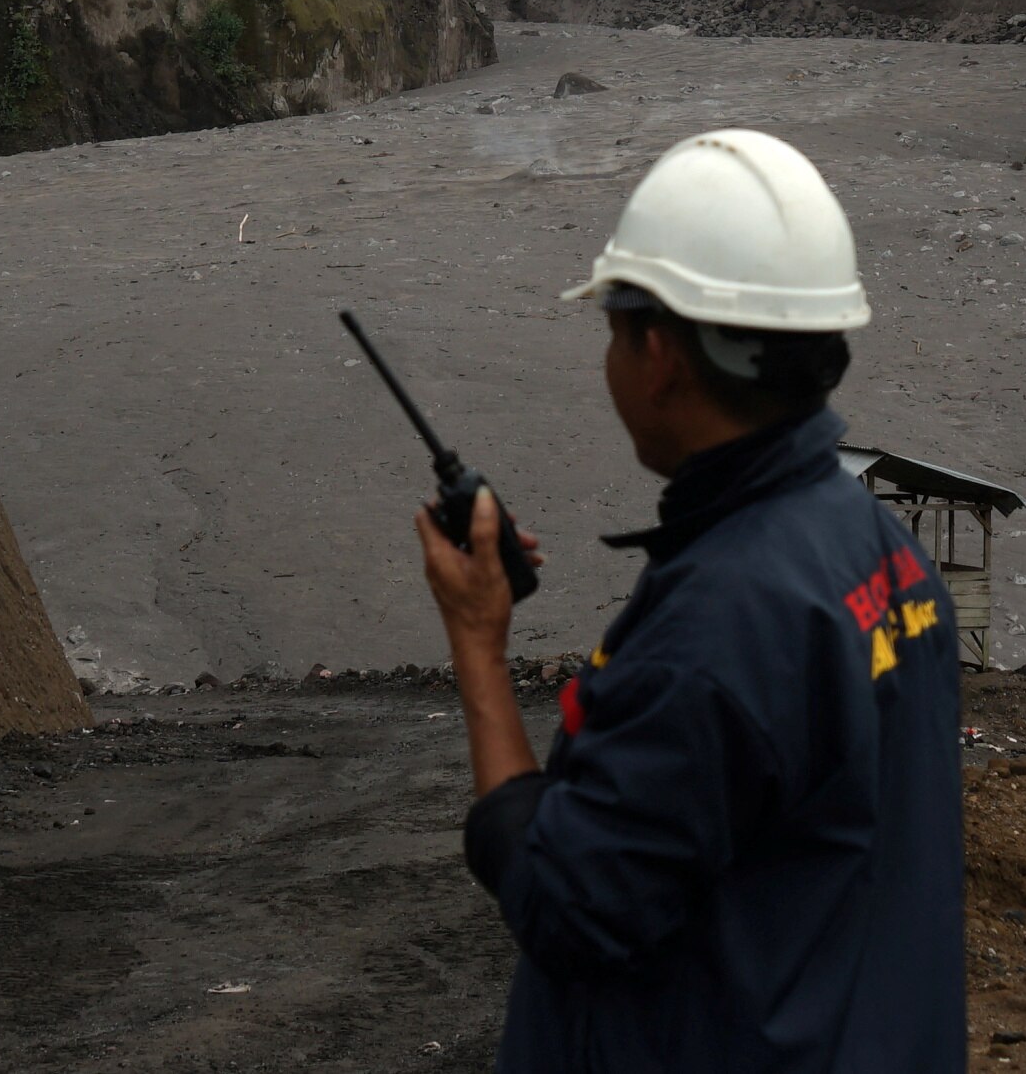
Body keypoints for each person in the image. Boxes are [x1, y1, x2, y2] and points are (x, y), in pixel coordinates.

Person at [411, 127, 964, 1073]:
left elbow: (564, 903)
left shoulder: (716, 629)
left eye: (613, 332)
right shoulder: (885, 550)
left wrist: (478, 642)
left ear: (659, 353)